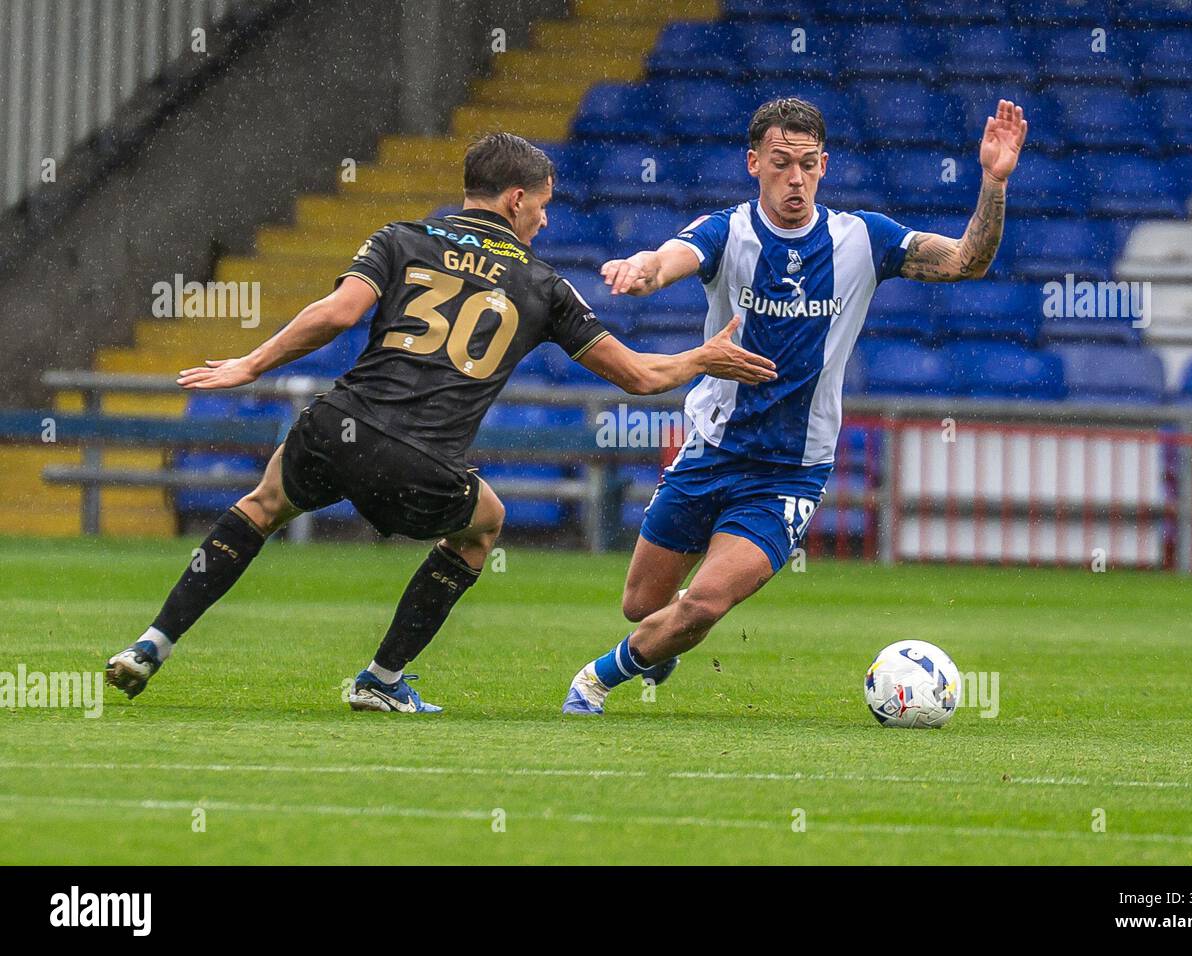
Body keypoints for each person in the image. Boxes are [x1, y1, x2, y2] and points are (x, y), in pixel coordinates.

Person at [105, 131, 776, 714]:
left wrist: (251, 364)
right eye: (542, 206)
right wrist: (703, 356)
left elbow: (337, 314)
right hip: (422, 464)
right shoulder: (542, 285)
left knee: (261, 505)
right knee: (484, 524)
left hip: (340, 423)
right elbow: (639, 376)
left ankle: (151, 643)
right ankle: (382, 679)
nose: (543, 221)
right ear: (516, 199)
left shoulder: (402, 238)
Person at [563, 97, 1027, 714]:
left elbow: (968, 261)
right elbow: (668, 261)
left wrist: (993, 181)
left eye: (808, 164)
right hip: (710, 449)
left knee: (702, 604)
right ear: (754, 163)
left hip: (789, 472)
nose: (796, 179)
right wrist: (640, 268)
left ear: (824, 165)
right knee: (643, 607)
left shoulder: (863, 239)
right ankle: (657, 642)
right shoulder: (726, 231)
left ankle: (594, 681)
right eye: (781, 163)